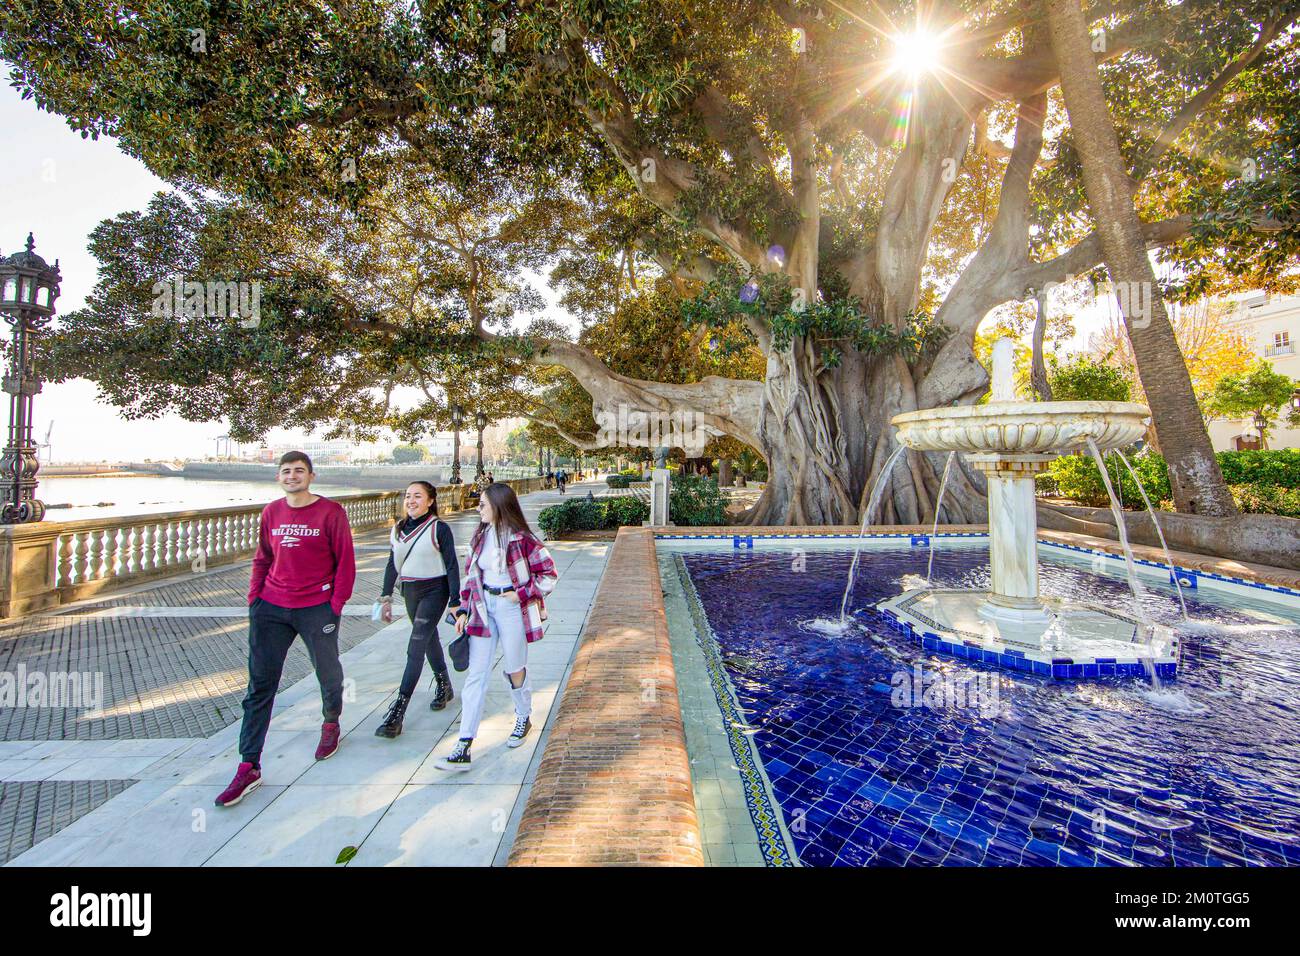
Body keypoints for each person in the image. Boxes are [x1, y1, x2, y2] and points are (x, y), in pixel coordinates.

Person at [216, 451, 356, 807]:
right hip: (271, 607)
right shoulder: (271, 512)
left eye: (299, 471)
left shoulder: (331, 513)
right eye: (286, 471)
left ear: (311, 476)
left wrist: (335, 605)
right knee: (260, 686)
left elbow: (345, 562)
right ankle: (249, 765)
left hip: (316, 608)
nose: (292, 476)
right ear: (279, 477)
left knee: (327, 671)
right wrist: (255, 599)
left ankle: (331, 722)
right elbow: (263, 557)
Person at [436, 483, 558, 771]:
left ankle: (523, 716)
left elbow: (549, 575)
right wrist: (463, 610)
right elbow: (471, 577)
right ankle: (464, 743)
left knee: (515, 667)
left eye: (483, 504)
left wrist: (521, 594)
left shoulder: (523, 540)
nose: (478, 509)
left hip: (512, 608)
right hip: (483, 608)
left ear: (499, 506)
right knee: (476, 674)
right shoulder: (480, 537)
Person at [373, 481, 461, 738]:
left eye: (417, 496)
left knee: (416, 644)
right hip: (410, 591)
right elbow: (392, 564)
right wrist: (386, 596)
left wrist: (455, 601)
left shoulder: (439, 528)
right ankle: (444, 685)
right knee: (429, 637)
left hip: (435, 590)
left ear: (430, 501)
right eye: (408, 496)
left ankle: (398, 711)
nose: (411, 501)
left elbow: (452, 565)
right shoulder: (398, 529)